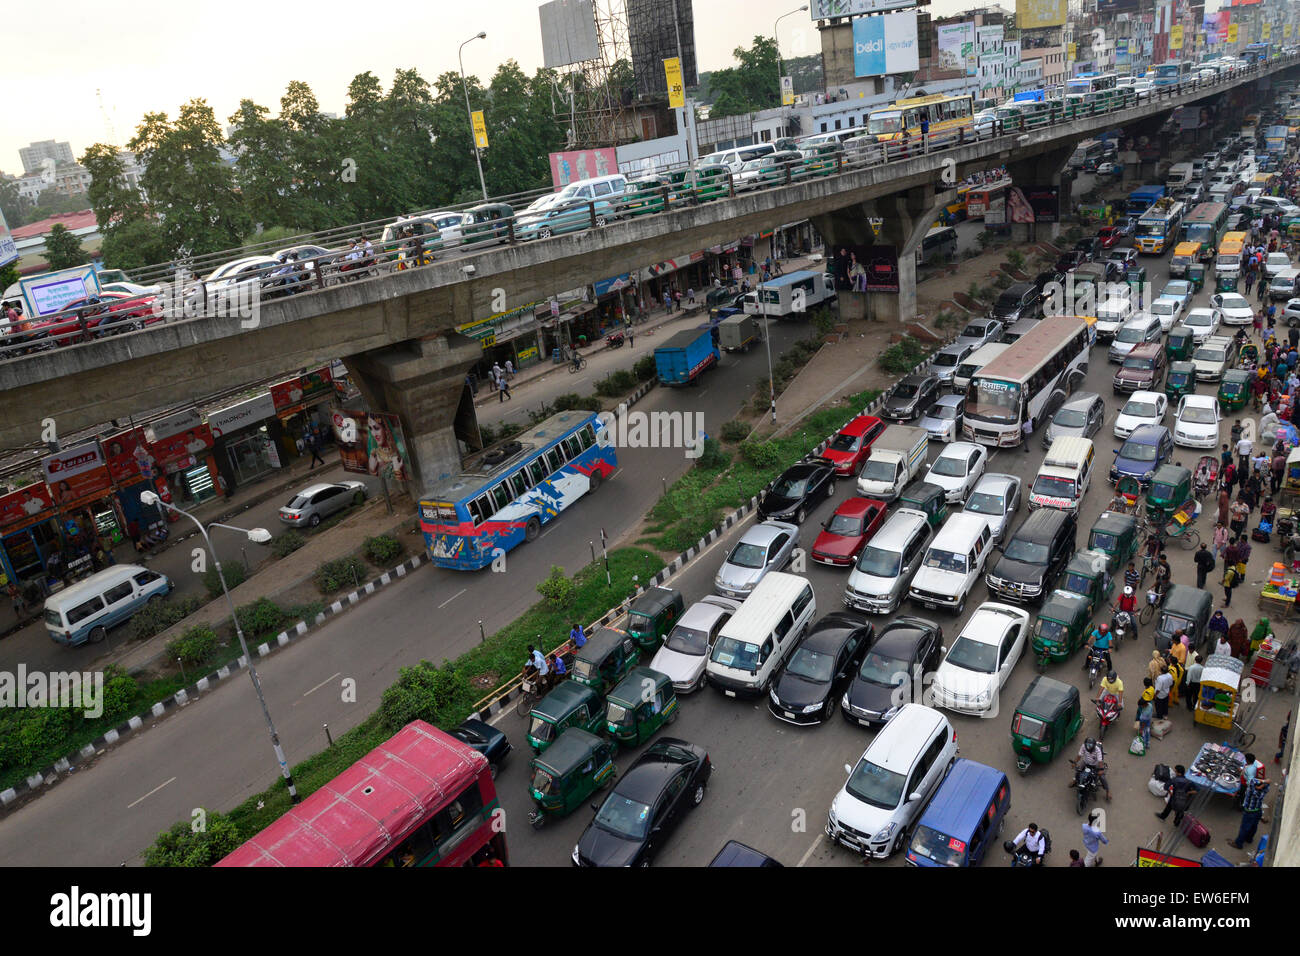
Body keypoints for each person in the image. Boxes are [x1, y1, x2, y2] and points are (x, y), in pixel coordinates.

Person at [1229, 778, 1270, 850]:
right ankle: (1249, 839)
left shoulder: (1252, 790)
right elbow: (1267, 784)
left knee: (1244, 828)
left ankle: (1238, 843)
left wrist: (1262, 781)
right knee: (1254, 826)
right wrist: (1264, 783)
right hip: (1258, 811)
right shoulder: (1264, 790)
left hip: (1249, 812)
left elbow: (1252, 781)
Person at [1070, 737, 1111, 802]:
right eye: (1087, 745)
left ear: (1094, 746)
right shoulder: (1083, 746)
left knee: (1102, 777)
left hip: (1095, 764)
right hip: (1085, 762)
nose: (1088, 747)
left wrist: (1100, 769)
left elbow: (1100, 761)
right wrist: (1075, 762)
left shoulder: (1097, 750)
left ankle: (1108, 791)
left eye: (1090, 745)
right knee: (1078, 771)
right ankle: (1075, 781)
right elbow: (1079, 755)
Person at [1137, 679, 1155, 748]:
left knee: (1144, 734)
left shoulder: (1144, 713)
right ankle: (1147, 744)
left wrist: (1141, 729)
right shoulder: (1150, 705)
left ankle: (1143, 746)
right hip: (1148, 723)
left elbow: (1143, 721)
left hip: (1144, 724)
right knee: (1148, 733)